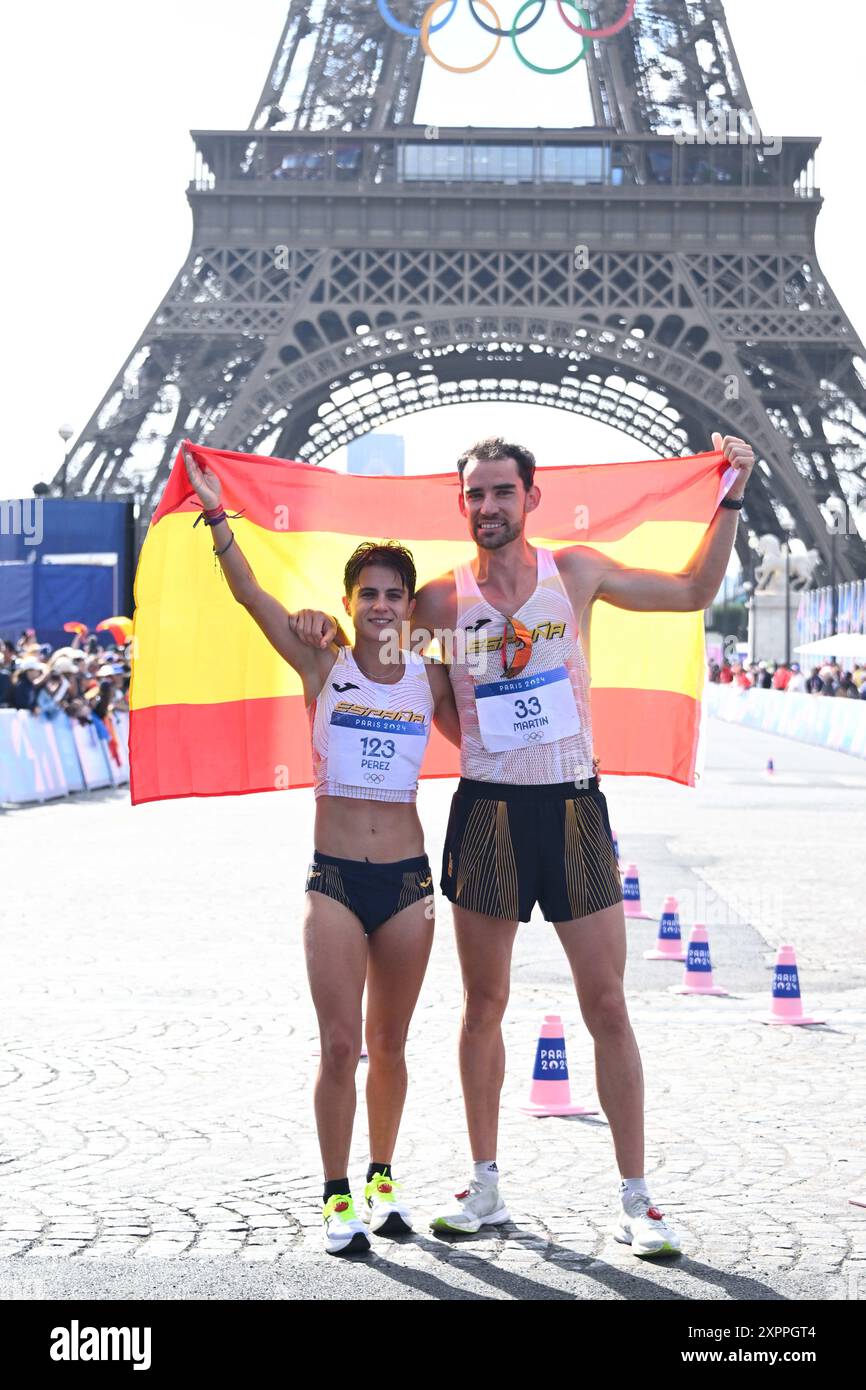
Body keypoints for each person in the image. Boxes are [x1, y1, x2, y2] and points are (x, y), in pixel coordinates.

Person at [403, 430, 755, 1259]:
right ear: (463, 504)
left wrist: (732, 490)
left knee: (607, 1006)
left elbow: (697, 590)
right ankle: (485, 1184)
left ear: (533, 496)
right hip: (486, 812)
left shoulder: (579, 573)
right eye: (475, 494)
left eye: (501, 491)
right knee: (483, 1006)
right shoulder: (439, 603)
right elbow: (405, 676)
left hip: (573, 809)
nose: (488, 506)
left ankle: (637, 1199)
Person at [180, 442, 460, 1256]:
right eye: (368, 593)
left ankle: (382, 1175)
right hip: (335, 881)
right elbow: (249, 596)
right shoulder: (320, 659)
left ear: (411, 605)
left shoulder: (432, 675)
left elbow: (514, 662)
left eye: (394, 594)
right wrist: (216, 516)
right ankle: (337, 1193)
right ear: (347, 600)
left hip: (408, 882)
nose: (380, 605)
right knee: (343, 1045)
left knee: (396, 1047)